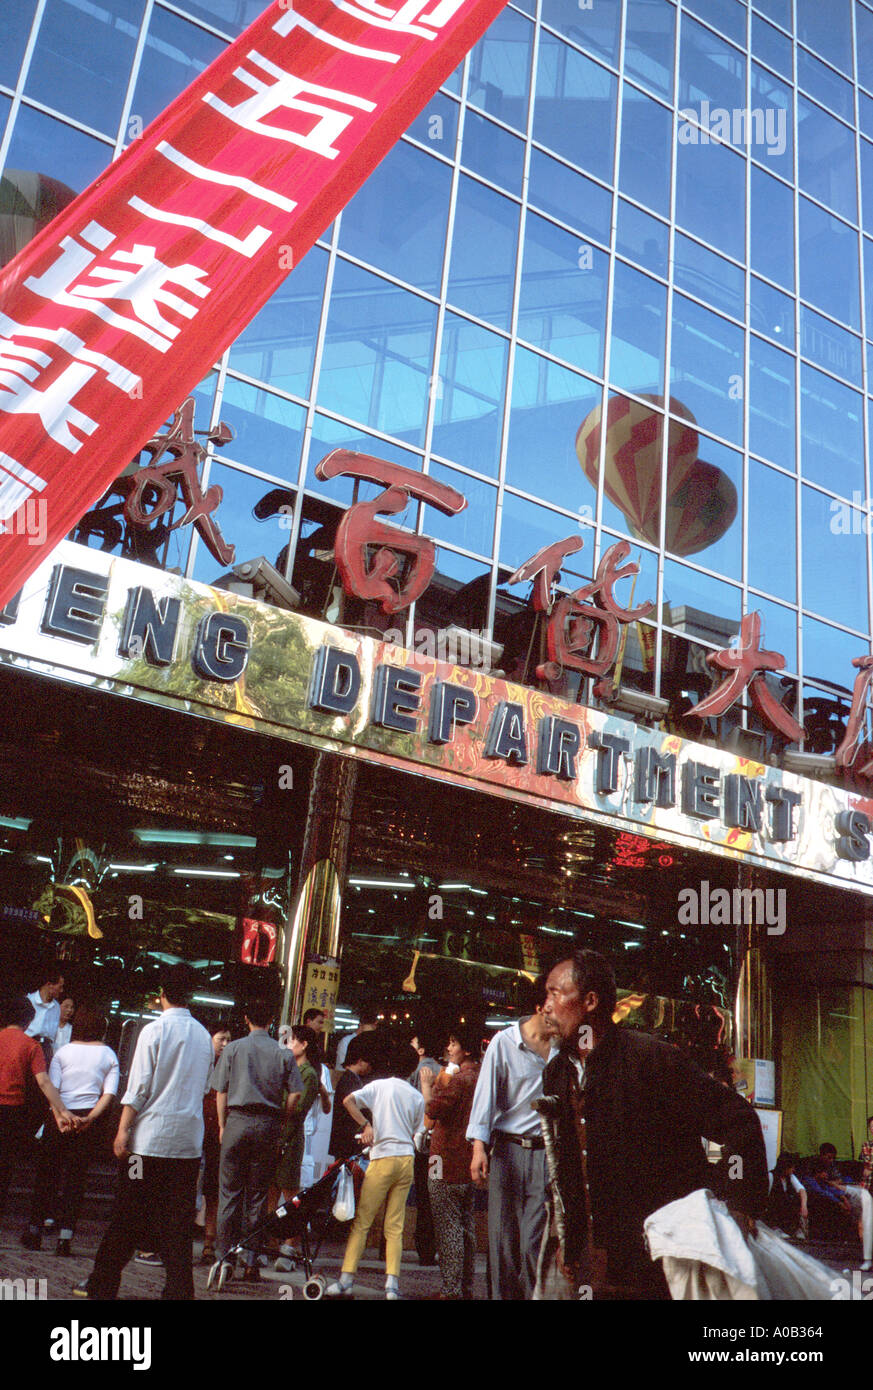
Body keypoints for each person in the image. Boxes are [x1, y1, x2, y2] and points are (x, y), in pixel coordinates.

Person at [538, 950, 768, 1299]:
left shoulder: (651, 1060)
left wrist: (737, 1207)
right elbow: (567, 1167)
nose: (546, 1007)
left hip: (658, 1261)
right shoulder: (557, 1073)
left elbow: (737, 1120)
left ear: (590, 1001)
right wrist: (568, 1240)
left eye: (555, 993)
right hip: (593, 1261)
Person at [75, 962, 213, 1301]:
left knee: (127, 1212)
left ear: (162, 994)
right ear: (191, 995)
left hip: (145, 1147)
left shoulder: (153, 1031)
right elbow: (204, 1087)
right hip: (186, 1148)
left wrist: (122, 1130)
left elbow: (137, 1089)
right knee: (177, 1224)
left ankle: (102, 1284)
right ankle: (180, 1292)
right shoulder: (203, 1037)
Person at [210, 1001, 302, 1286]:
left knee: (229, 1194)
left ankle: (224, 1259)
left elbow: (221, 1091)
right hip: (268, 1125)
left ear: (246, 1018)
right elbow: (296, 1094)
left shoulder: (233, 1049)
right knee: (258, 1196)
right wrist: (282, 1118)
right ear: (272, 1020)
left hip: (236, 1122)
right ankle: (251, 1262)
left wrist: (223, 1125)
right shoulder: (283, 1053)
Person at [465, 1005, 553, 1300]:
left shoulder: (564, 1048)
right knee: (503, 1242)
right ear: (541, 1007)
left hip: (547, 1154)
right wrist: (478, 1148)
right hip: (507, 1150)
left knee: (534, 1244)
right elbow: (485, 1097)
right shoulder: (504, 1043)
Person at [326, 1042, 424, 1301]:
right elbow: (418, 1132)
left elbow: (348, 1101)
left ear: (390, 1064)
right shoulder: (416, 1096)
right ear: (412, 1069)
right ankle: (392, 1286)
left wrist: (366, 1124)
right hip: (406, 1160)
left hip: (382, 1158)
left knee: (362, 1222)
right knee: (395, 1225)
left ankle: (346, 1280)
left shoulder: (380, 1086)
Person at [21, 1005, 119, 1255]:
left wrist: (60, 1115)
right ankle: (65, 1239)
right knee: (76, 1179)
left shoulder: (63, 1051)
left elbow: (52, 1088)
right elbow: (108, 1094)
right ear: (102, 1028)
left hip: (59, 1117)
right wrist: (89, 1119)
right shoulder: (109, 1054)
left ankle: (34, 1231)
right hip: (87, 1120)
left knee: (47, 1176)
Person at [0, 997, 76, 1227]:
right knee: (4, 1164)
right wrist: (62, 1110)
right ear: (29, 1020)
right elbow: (44, 1082)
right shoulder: (31, 1046)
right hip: (11, 1110)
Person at [420, 1022, 480, 1300]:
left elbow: (432, 1110)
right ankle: (465, 1285)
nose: (449, 1047)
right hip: (470, 1159)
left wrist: (426, 1086)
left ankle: (451, 1289)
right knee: (466, 1224)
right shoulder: (480, 1077)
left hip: (444, 1159)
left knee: (447, 1226)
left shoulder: (458, 1080)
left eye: (454, 1043)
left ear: (465, 1049)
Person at [274, 1024, 321, 1270]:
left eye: (292, 1041)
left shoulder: (308, 1073)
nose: (288, 1045)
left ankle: (290, 1246)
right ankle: (271, 1243)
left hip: (290, 1137)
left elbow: (298, 1109)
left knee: (290, 1193)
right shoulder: (289, 1068)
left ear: (304, 1045)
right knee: (272, 1190)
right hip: (279, 1135)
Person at [408, 1027, 441, 1266]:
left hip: (420, 1144)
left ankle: (424, 1247)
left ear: (421, 1049)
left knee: (422, 1195)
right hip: (439, 1145)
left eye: (413, 1043)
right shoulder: (445, 1071)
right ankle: (434, 1248)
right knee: (436, 1195)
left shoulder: (416, 1071)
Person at [200, 1025, 232, 1265]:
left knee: (213, 1189)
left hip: (216, 1136)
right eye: (221, 1039)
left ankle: (209, 1242)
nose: (225, 1044)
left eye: (228, 1040)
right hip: (195, 1131)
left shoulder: (230, 1067)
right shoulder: (201, 1063)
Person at [817, 1141, 873, 1270]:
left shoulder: (833, 1169)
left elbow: (841, 1182)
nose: (831, 1161)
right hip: (837, 1192)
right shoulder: (816, 1169)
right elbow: (826, 1187)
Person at [329, 1033, 376, 1162]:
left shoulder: (350, 1079)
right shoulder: (349, 1080)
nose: (370, 1068)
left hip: (346, 1140)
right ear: (360, 1061)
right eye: (368, 1063)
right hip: (347, 1141)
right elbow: (349, 1106)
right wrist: (366, 1125)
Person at [25, 966, 66, 1066]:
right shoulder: (29, 1001)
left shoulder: (56, 1007)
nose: (61, 990)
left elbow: (53, 1036)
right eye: (60, 987)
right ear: (49, 985)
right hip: (27, 1044)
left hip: (45, 1049)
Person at [766, 1151, 808, 1239]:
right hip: (773, 1209)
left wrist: (804, 1206)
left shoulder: (790, 1177)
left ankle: (796, 1229)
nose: (793, 1170)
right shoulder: (771, 1176)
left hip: (785, 1210)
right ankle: (775, 1228)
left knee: (794, 1200)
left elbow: (802, 1190)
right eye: (791, 1167)